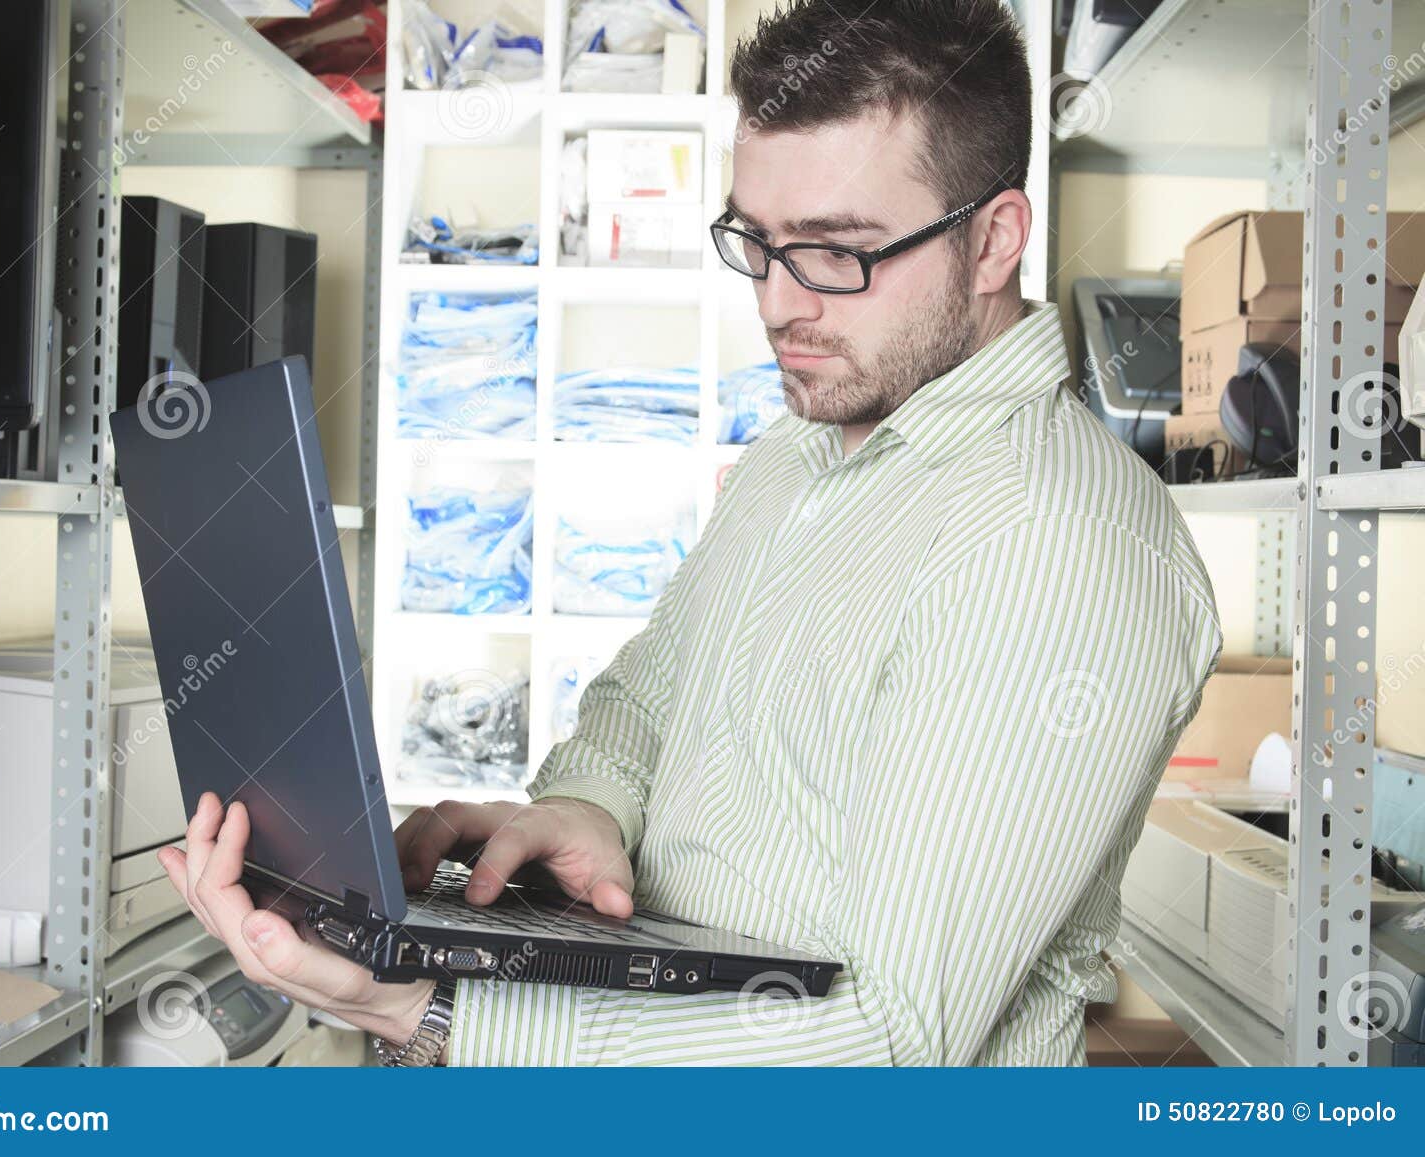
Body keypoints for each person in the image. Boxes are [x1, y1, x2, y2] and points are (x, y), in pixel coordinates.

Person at [157, 0, 1222, 1066]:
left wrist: (426, 1009)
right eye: (754, 240)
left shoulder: (1054, 543)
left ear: (992, 241)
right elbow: (649, 694)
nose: (776, 303)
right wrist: (586, 805)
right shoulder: (799, 449)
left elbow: (890, 1043)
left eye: (835, 252)